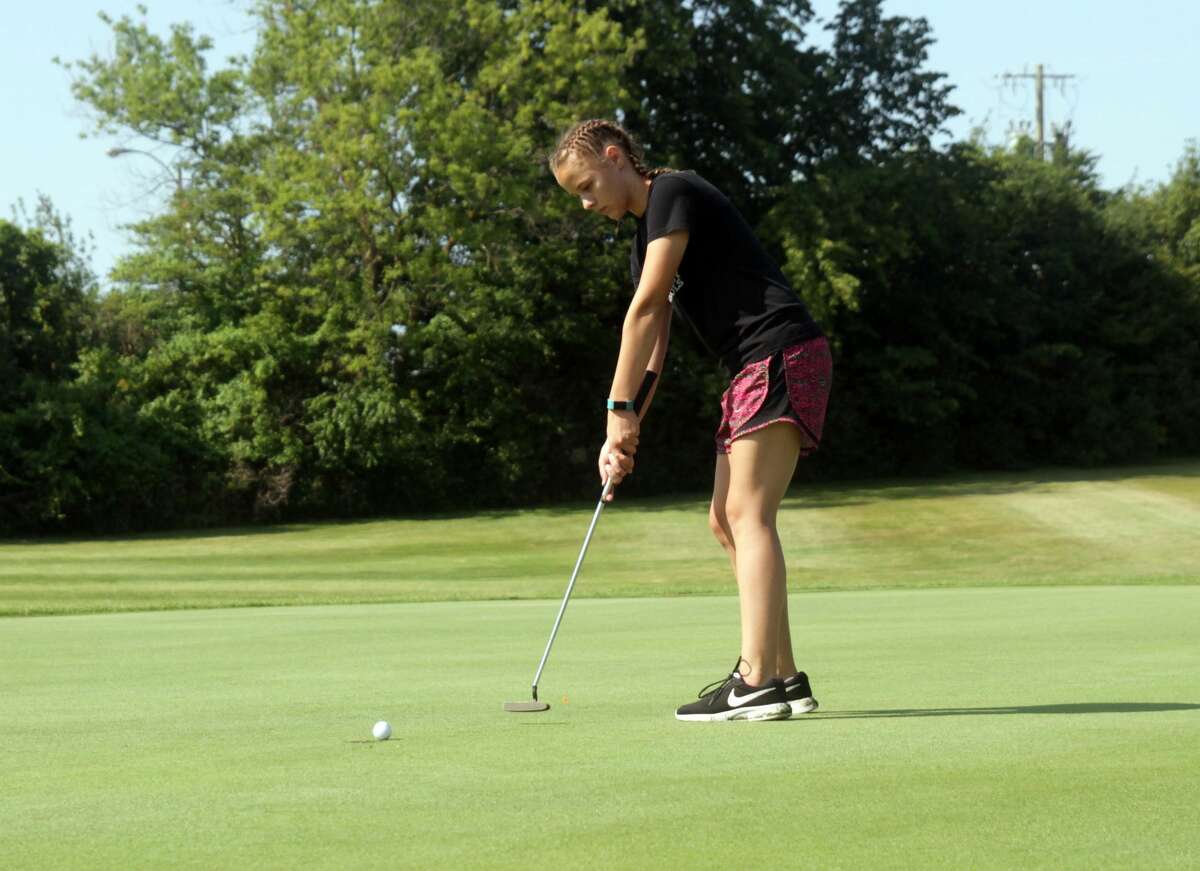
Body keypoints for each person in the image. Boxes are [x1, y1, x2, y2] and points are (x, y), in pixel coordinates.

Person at [549, 119, 832, 722]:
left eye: (587, 185)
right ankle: (781, 677)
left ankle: (754, 680)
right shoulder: (642, 241)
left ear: (615, 156)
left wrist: (615, 411)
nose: (586, 202)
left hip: (778, 351)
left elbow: (646, 309)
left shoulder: (673, 192)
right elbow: (655, 348)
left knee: (747, 514)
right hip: (754, 365)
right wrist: (625, 430)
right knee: (725, 522)